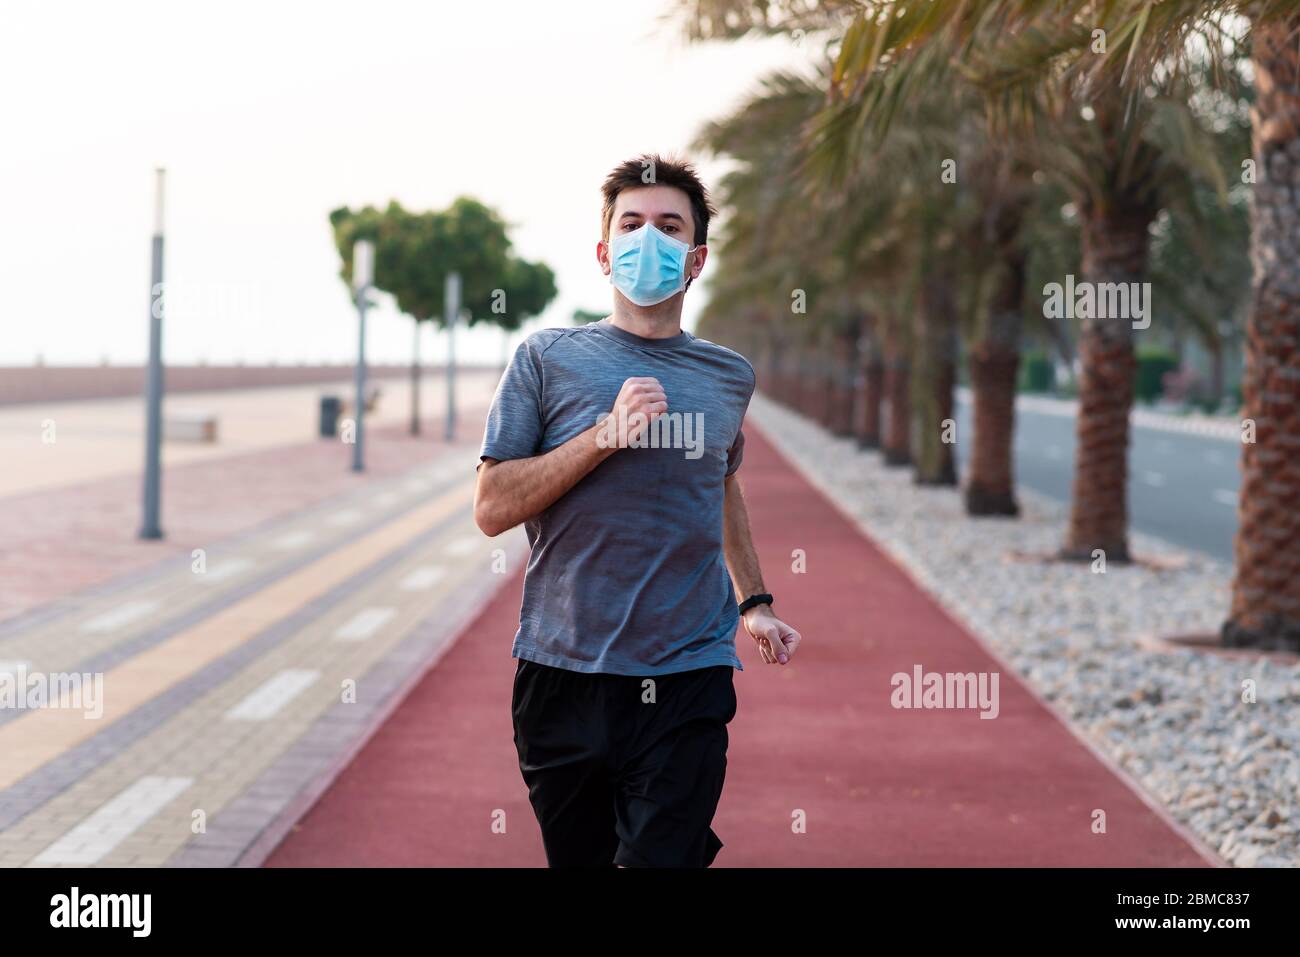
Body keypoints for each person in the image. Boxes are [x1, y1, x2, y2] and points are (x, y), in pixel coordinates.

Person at [474, 153, 802, 868]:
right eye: (631, 223)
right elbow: (492, 507)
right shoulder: (546, 359)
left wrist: (755, 601)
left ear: (696, 258)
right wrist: (604, 436)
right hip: (562, 671)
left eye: (668, 225)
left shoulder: (728, 376)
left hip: (688, 669)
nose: (647, 238)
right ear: (603, 251)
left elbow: (721, 482)